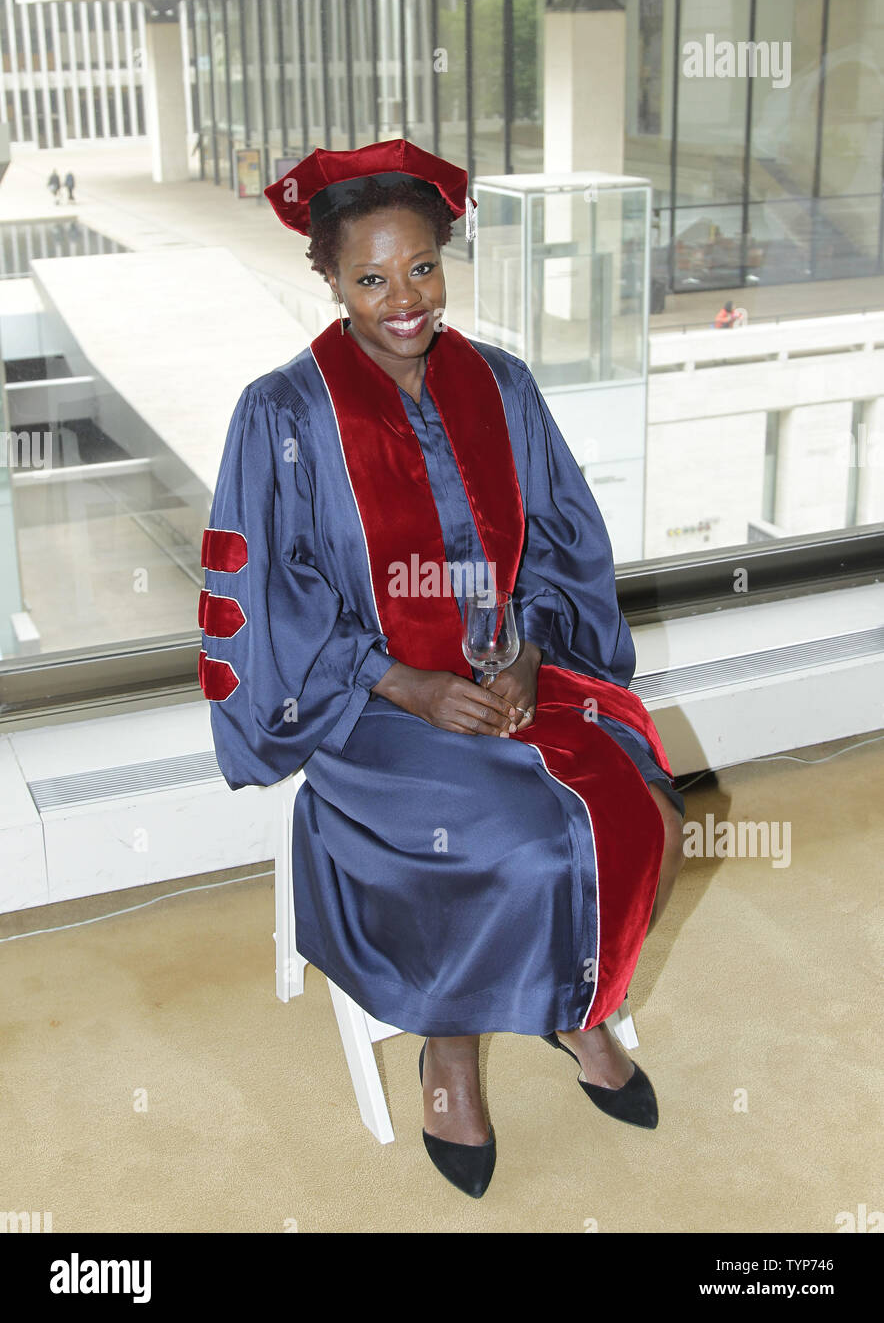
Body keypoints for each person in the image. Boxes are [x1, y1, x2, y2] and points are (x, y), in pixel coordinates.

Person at [199, 139, 686, 1198]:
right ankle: (451, 1048)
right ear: (327, 278)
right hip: (365, 707)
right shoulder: (282, 414)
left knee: (642, 804)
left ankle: (574, 1005)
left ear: (443, 257)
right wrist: (401, 682)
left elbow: (562, 545)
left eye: (421, 267)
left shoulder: (498, 383)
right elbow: (267, 598)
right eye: (370, 278)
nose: (403, 299)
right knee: (506, 840)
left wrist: (527, 652)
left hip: (508, 675)